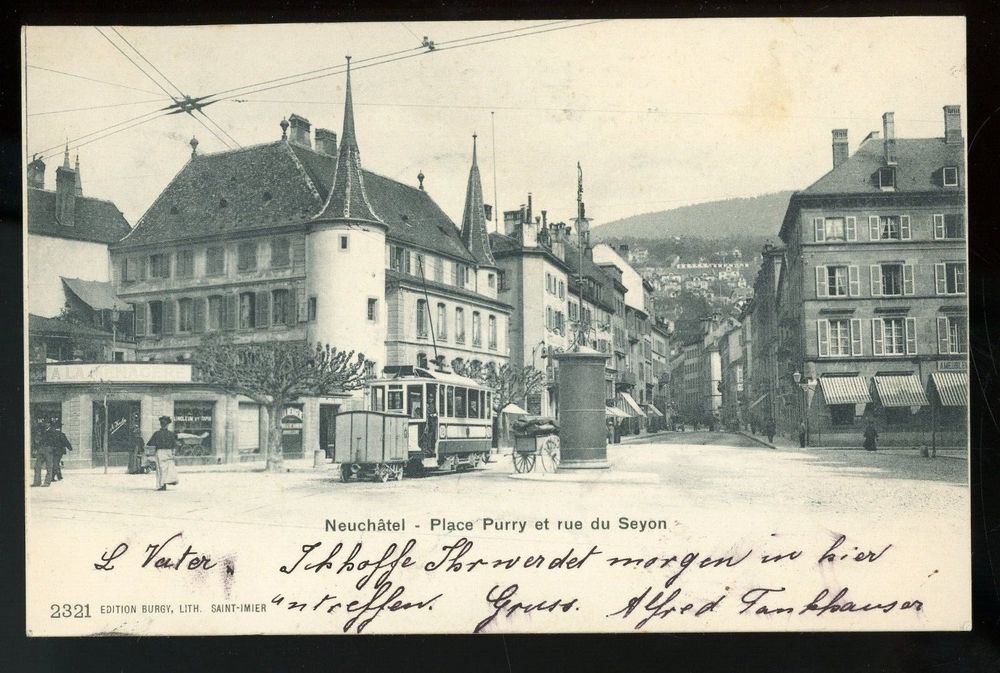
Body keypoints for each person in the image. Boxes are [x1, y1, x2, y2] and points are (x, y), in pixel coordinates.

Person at [146, 416, 180, 490]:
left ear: (161, 424)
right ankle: (167, 482)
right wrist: (173, 453)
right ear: (168, 425)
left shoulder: (156, 434)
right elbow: (174, 445)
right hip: (169, 452)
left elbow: (150, 444)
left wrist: (150, 454)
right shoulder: (171, 434)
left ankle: (161, 485)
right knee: (168, 468)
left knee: (160, 469)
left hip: (160, 452)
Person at [30, 421, 53, 488]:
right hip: (41, 450)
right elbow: (37, 440)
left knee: (49, 467)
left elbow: (55, 441)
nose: (46, 424)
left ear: (50, 424)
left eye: (48, 422)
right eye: (45, 422)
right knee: (37, 466)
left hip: (49, 450)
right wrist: (36, 449)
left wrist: (52, 449)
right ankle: (37, 482)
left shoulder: (53, 431)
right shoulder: (42, 431)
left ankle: (47, 482)